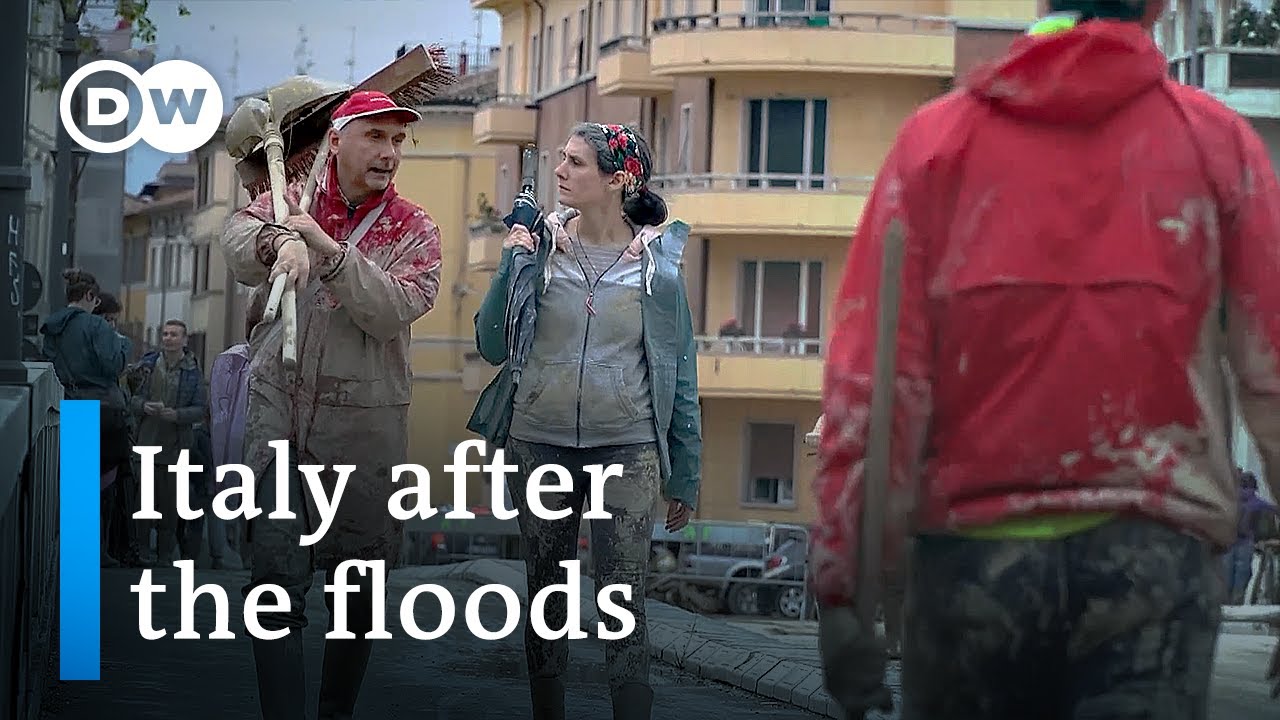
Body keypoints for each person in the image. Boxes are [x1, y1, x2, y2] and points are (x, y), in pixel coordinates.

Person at [812, 1, 1280, 717]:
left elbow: (877, 383)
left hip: (971, 562)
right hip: (1153, 563)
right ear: (1155, 7)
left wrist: (849, 591)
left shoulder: (937, 143)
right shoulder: (1215, 143)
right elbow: (1271, 374)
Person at [467, 122, 702, 720]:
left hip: (628, 446)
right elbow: (492, 344)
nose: (560, 172)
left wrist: (686, 471)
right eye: (561, 160)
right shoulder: (539, 249)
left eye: (575, 163)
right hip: (538, 442)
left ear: (618, 180)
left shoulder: (658, 269)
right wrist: (511, 261)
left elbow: (680, 373)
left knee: (623, 597)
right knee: (546, 591)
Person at [220, 90, 442, 720]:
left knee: (359, 591)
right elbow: (236, 239)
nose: (390, 154)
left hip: (365, 427)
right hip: (278, 415)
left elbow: (394, 306)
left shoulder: (416, 228)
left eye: (398, 141)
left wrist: (327, 250)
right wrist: (277, 244)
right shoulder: (286, 202)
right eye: (376, 137)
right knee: (273, 581)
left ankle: (335, 711)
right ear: (336, 141)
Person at [40, 268, 131, 566]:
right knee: (104, 483)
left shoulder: (52, 327)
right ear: (90, 296)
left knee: (77, 483)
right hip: (104, 408)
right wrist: (124, 345)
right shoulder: (95, 326)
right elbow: (112, 364)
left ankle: (75, 555)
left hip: (70, 403)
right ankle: (97, 553)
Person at [126, 319, 207, 566]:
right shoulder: (148, 365)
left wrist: (178, 415)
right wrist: (143, 406)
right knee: (144, 503)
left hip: (176, 445)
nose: (168, 338)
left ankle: (163, 555)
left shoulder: (193, 371)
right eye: (165, 334)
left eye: (174, 334)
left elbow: (201, 409)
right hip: (148, 441)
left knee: (170, 506)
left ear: (184, 340)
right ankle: (141, 551)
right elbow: (130, 398)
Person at [1225, 470, 1279, 604]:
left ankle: (1224, 605)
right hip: (1246, 543)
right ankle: (1236, 605)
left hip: (1229, 542)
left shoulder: (1232, 498)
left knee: (1226, 575)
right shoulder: (1255, 501)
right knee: (1241, 577)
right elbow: (1273, 509)